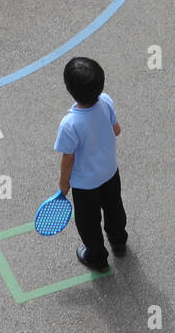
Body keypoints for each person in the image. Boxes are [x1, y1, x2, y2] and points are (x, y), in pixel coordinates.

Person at [54, 56, 128, 273]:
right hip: (110, 172)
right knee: (114, 209)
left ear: (69, 89)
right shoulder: (105, 101)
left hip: (85, 185)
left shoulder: (70, 124)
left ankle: (96, 257)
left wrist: (63, 184)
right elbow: (117, 130)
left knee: (88, 223)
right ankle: (119, 242)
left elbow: (68, 159)